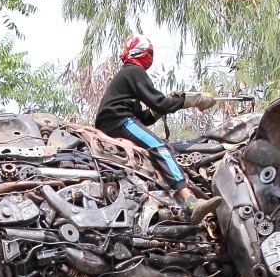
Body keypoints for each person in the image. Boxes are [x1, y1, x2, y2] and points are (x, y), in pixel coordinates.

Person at [94, 34, 220, 222]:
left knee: (158, 146)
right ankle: (191, 202)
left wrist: (157, 112)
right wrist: (191, 100)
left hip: (116, 120)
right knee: (160, 148)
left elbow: (144, 117)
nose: (151, 57)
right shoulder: (134, 72)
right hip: (119, 120)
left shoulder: (128, 74)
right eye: (150, 53)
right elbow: (160, 103)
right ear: (142, 53)